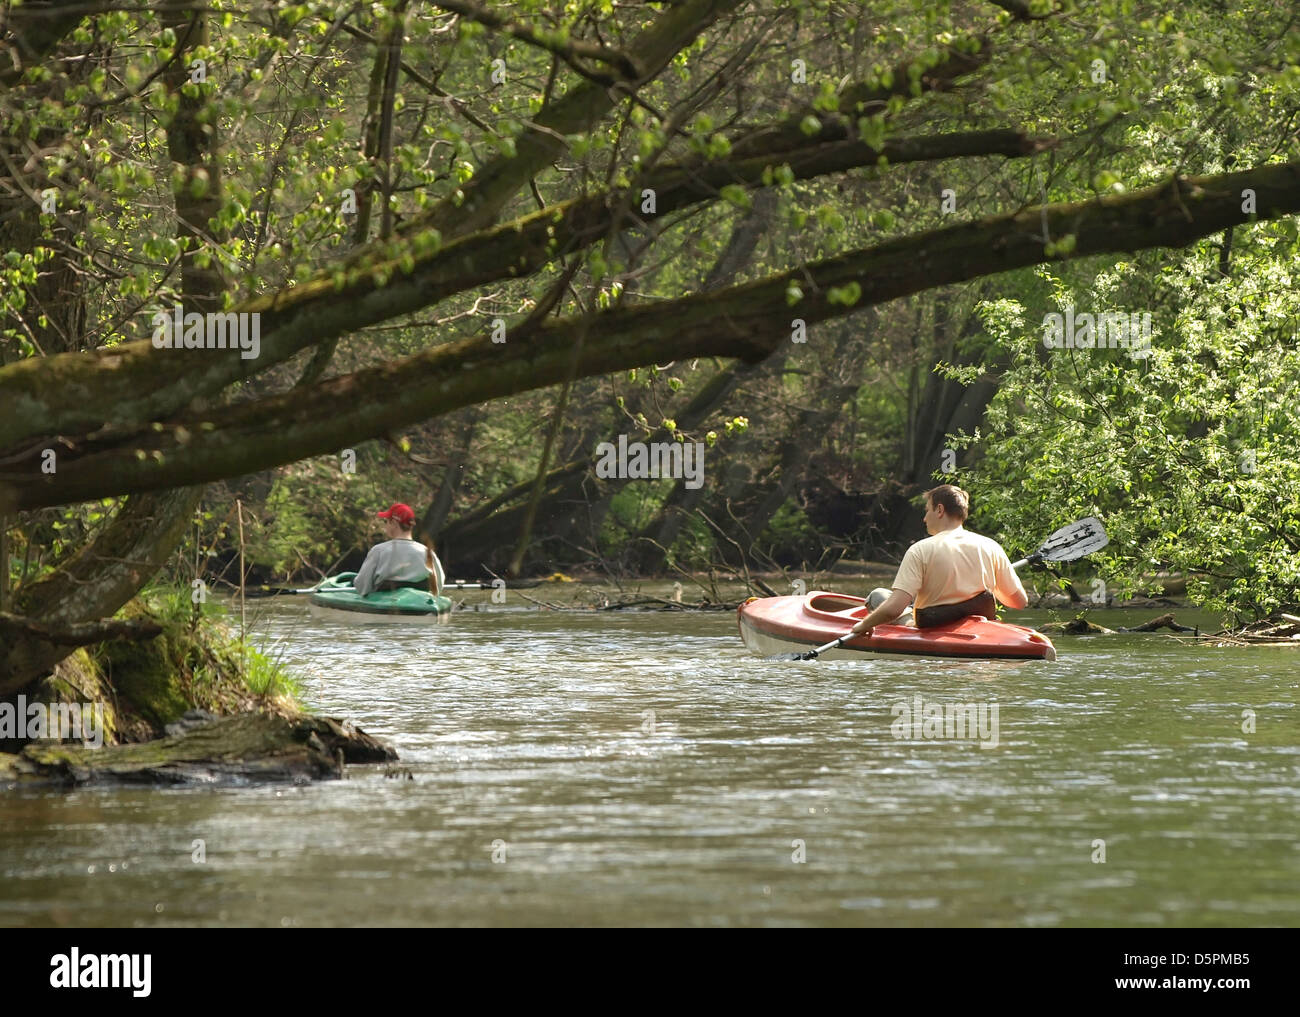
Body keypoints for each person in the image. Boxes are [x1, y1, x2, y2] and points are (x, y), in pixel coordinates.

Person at [848, 484, 1027, 638]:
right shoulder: (991, 546)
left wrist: (863, 625)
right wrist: (992, 581)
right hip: (977, 625)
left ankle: (906, 622)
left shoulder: (920, 550)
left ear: (939, 510)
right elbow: (1019, 602)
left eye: (927, 510)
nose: (925, 518)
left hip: (932, 626)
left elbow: (893, 609)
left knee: (878, 595)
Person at [352, 503, 446, 596]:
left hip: (385, 605)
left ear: (394, 523)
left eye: (387, 522)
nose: (386, 526)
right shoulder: (427, 552)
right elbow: (438, 585)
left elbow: (362, 587)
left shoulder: (378, 551)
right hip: (420, 606)